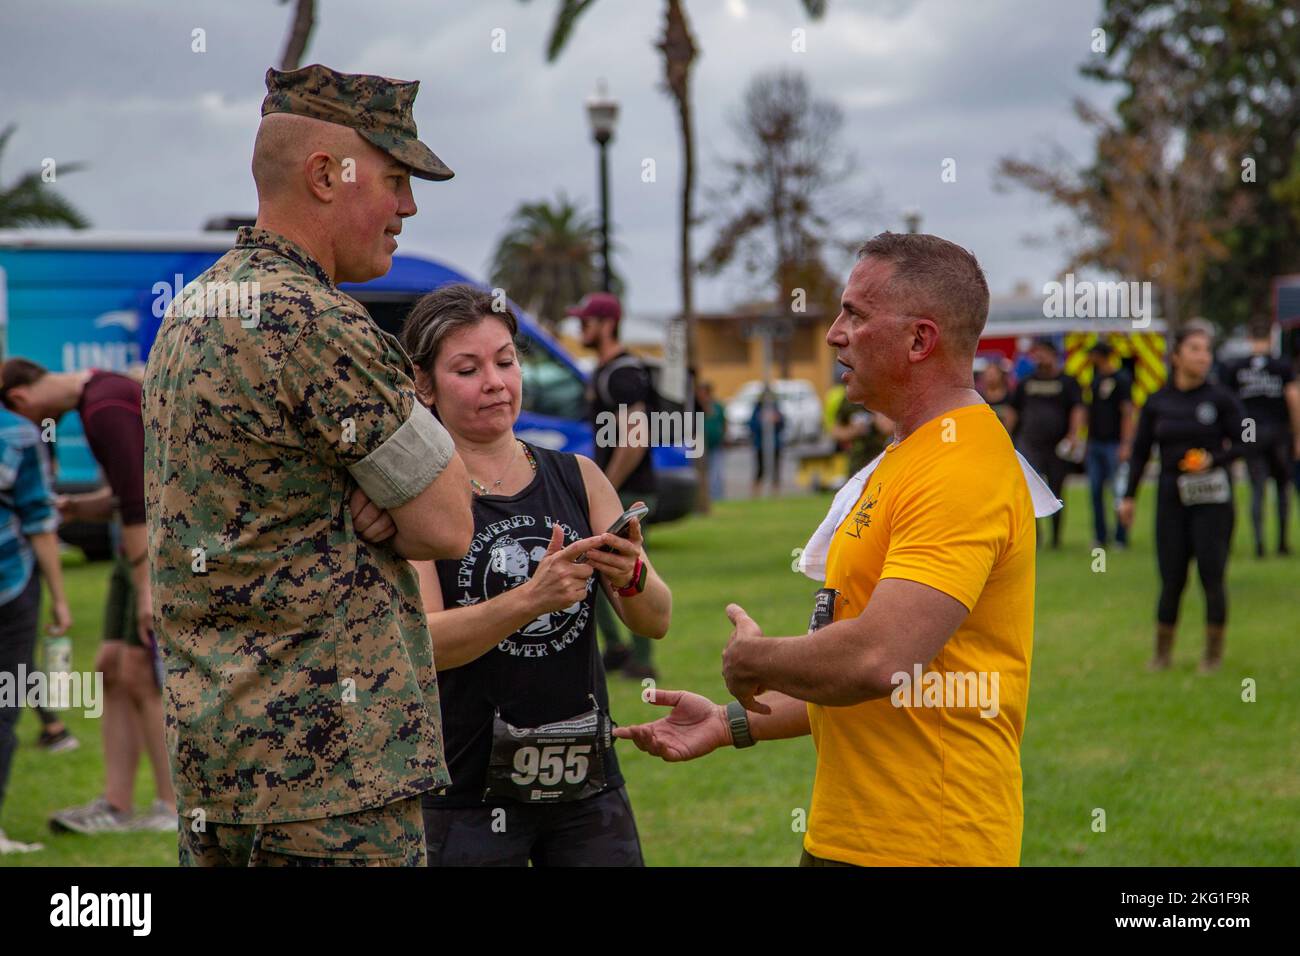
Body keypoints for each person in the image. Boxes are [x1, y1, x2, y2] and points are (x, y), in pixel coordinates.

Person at [617, 232, 1047, 866]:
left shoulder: (960, 468)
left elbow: (880, 658)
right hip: (857, 839)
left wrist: (758, 660)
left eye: (856, 314)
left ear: (920, 340)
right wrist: (733, 720)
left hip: (927, 845)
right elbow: (868, 670)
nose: (834, 333)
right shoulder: (910, 455)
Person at [141, 63, 474, 867]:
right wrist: (385, 505)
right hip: (330, 786)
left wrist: (362, 498)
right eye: (395, 179)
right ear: (326, 175)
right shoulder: (319, 323)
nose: (408, 207)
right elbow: (449, 522)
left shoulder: (191, 313)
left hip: (218, 773)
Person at [393, 284, 671, 866]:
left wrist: (631, 575)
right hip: (464, 791)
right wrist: (528, 600)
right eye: (468, 369)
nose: (495, 382)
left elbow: (656, 621)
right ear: (425, 384)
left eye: (506, 361)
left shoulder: (579, 476)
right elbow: (424, 642)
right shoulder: (415, 496)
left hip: (587, 785)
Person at [0, 359, 174, 834]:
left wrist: (146, 591)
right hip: (133, 552)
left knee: (140, 672)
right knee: (109, 667)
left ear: (20, 401)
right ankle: (115, 806)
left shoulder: (104, 405)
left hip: (152, 556)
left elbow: (142, 498)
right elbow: (124, 491)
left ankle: (169, 809)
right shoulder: (99, 397)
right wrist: (78, 507)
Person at [1119, 326, 1247, 673]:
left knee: (1211, 575)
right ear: (1176, 356)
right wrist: (1128, 496)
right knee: (1171, 578)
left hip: (1212, 501)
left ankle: (1213, 655)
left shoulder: (1220, 398)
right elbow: (1141, 451)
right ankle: (1162, 654)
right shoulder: (1158, 401)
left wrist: (1213, 459)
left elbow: (1247, 437)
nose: (1203, 356)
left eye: (1206, 350)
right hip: (1170, 500)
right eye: (1195, 348)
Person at [571, 291, 659, 681]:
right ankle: (617, 648)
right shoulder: (604, 370)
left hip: (629, 491)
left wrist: (607, 486)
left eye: (587, 322)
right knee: (592, 567)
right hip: (614, 489)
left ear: (607, 324)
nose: (580, 328)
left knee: (631, 571)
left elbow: (635, 438)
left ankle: (641, 660)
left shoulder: (624, 371)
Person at [0, 402, 73, 854]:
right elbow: (40, 522)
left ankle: (55, 726)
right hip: (10, 583)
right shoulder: (19, 432)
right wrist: (61, 599)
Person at [1221, 324, 1300, 557]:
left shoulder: (1237, 367)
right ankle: (1282, 543)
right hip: (1278, 431)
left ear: (1248, 338)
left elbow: (1228, 404)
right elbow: (1293, 399)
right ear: (1270, 337)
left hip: (1250, 430)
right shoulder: (1282, 366)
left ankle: (1259, 544)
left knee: (1256, 487)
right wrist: (1297, 435)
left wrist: (1229, 436)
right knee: (1282, 487)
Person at [1006, 338, 1084, 548]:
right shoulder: (1026, 382)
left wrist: (1073, 436)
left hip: (1057, 447)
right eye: (1036, 353)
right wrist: (1006, 437)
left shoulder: (1067, 382)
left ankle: (1056, 539)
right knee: (1031, 491)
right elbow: (1014, 411)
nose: (1038, 357)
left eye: (1042, 353)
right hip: (1030, 444)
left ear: (1053, 354)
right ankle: (1036, 537)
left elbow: (1078, 409)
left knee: (1057, 490)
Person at [1083, 342, 1135, 549]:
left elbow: (1127, 413)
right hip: (1095, 443)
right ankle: (1100, 536)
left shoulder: (1121, 379)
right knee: (1095, 491)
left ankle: (1121, 537)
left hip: (1114, 444)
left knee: (1118, 492)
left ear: (1101, 355)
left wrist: (1126, 443)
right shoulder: (1095, 379)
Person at [830, 397, 893, 477]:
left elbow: (888, 428)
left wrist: (876, 417)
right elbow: (835, 432)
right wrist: (853, 431)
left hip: (882, 460)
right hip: (857, 463)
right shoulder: (849, 399)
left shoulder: (883, 394)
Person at [749, 386, 786, 496]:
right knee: (760, 470)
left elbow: (783, 423)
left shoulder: (776, 408)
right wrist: (762, 421)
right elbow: (752, 425)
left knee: (776, 470)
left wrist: (777, 420)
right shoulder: (757, 409)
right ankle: (756, 493)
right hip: (760, 445)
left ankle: (775, 494)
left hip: (775, 445)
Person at [698, 380, 726, 501]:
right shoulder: (696, 406)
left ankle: (717, 497)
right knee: (703, 473)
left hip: (715, 445)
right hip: (700, 446)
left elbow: (724, 423)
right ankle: (705, 497)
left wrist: (723, 437)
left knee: (716, 473)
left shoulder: (717, 406)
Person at [977, 358, 1014, 432]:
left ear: (1001, 375)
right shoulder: (979, 398)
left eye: (994, 374)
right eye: (988, 374)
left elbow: (1013, 417)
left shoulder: (1010, 396)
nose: (991, 377)